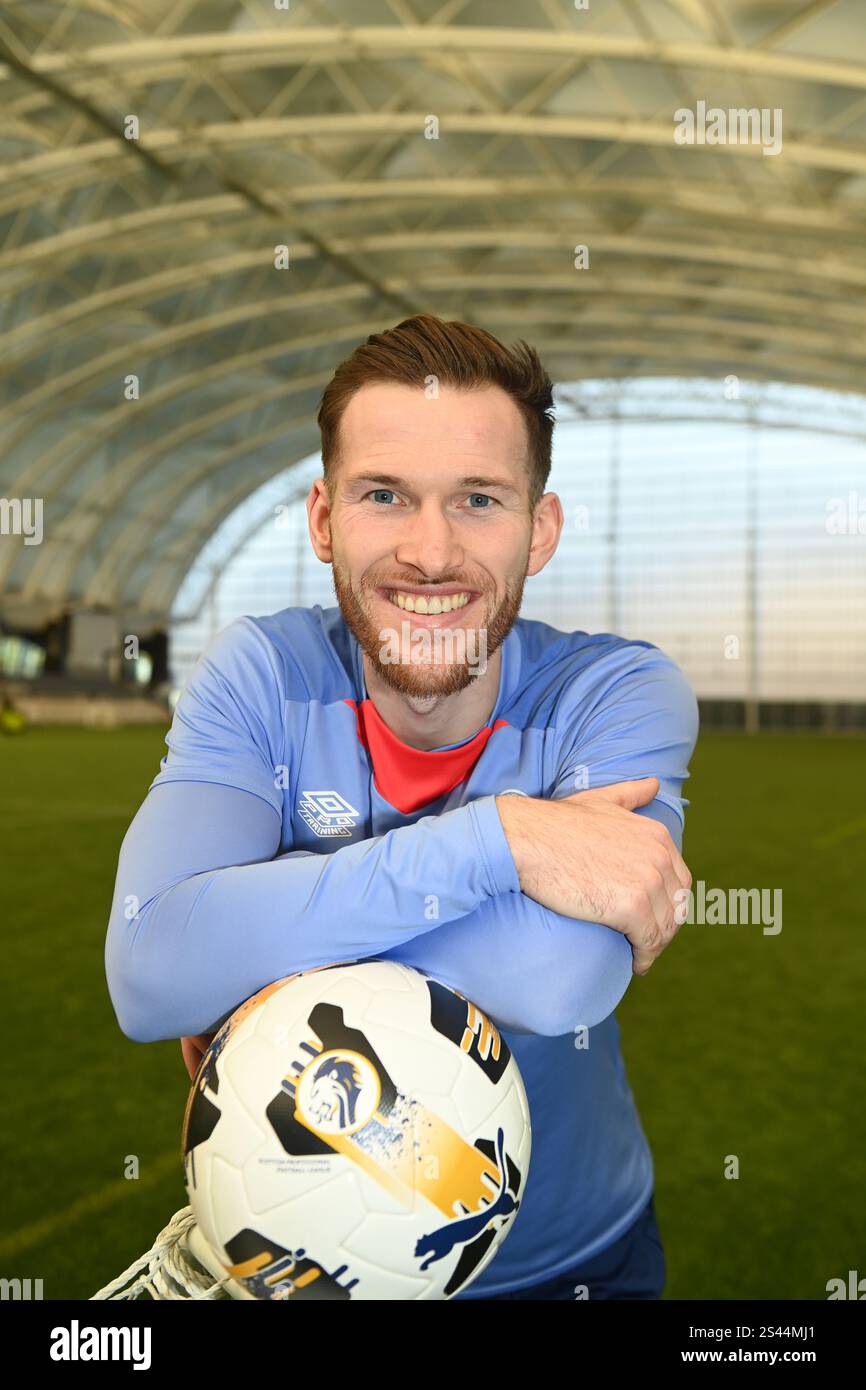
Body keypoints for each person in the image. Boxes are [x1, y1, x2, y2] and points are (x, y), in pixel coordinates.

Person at [105, 313, 697, 1301]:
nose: (431, 552)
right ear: (323, 517)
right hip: (309, 1262)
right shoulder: (264, 673)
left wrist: (247, 946)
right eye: (384, 495)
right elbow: (149, 965)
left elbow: (553, 974)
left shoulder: (612, 692)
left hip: (574, 1268)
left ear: (538, 529)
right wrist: (501, 841)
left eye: (477, 499)